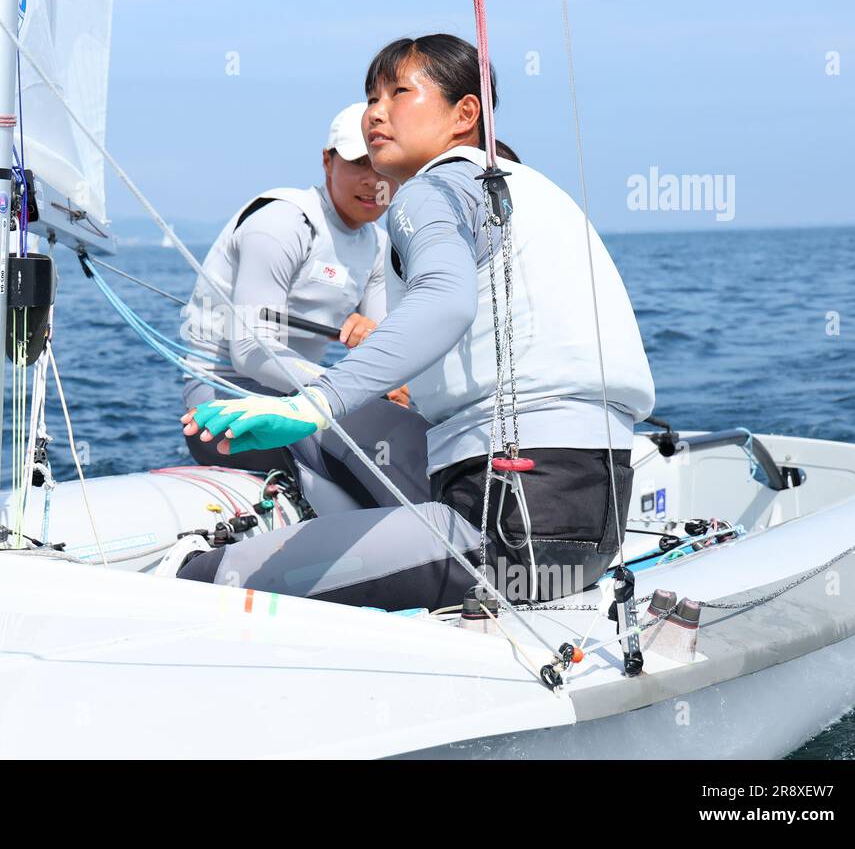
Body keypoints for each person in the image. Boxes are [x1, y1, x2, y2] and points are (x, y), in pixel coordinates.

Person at [179, 34, 655, 608]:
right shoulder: (523, 189)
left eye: (399, 92)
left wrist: (314, 404)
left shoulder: (429, 191)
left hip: (502, 524)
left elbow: (445, 302)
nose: (375, 112)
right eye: (370, 96)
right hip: (590, 521)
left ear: (465, 113)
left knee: (206, 580)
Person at [178, 103, 433, 510]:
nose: (373, 181)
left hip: (306, 397)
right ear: (327, 162)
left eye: (385, 167)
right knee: (378, 443)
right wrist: (346, 390)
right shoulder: (283, 223)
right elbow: (250, 353)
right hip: (223, 398)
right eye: (359, 163)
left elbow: (389, 360)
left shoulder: (378, 246)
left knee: (414, 430)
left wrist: (381, 356)